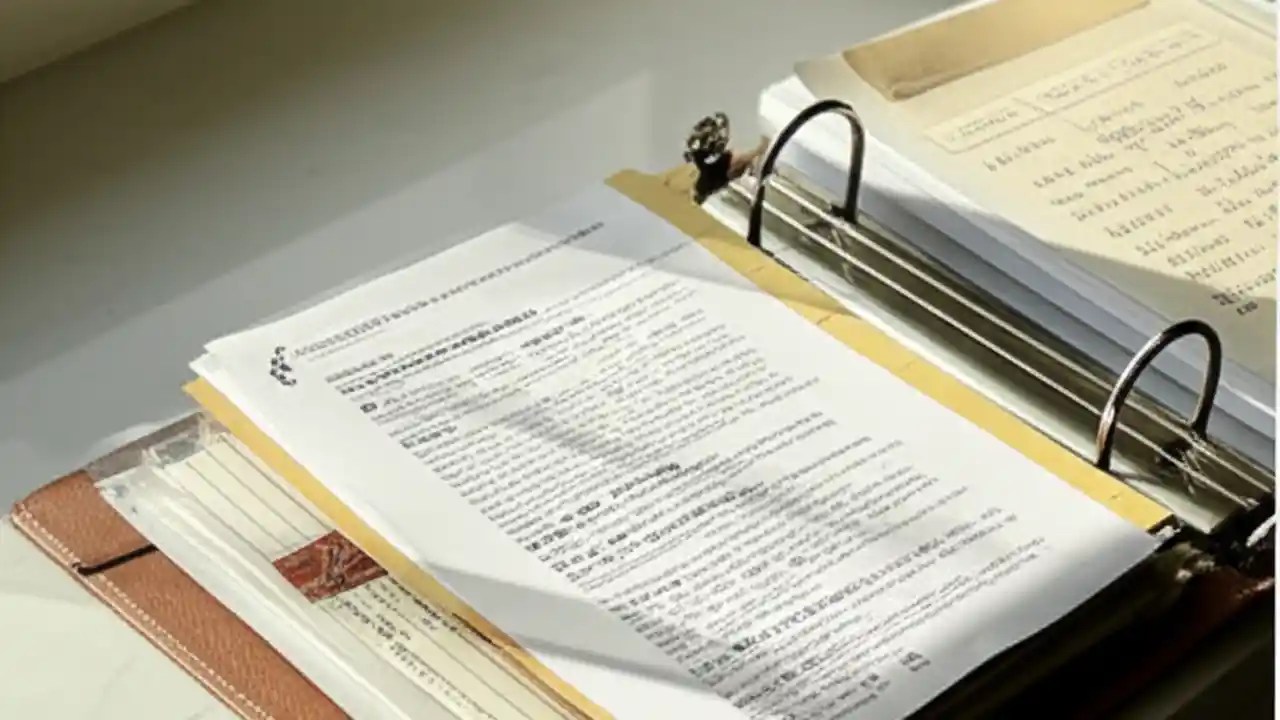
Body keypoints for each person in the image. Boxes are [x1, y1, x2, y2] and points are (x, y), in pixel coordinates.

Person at [683, 112, 768, 203]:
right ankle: (763, 147)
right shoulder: (706, 183)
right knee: (748, 156)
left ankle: (763, 148)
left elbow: (707, 170)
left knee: (748, 157)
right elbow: (706, 170)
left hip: (726, 167)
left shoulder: (708, 184)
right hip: (726, 165)